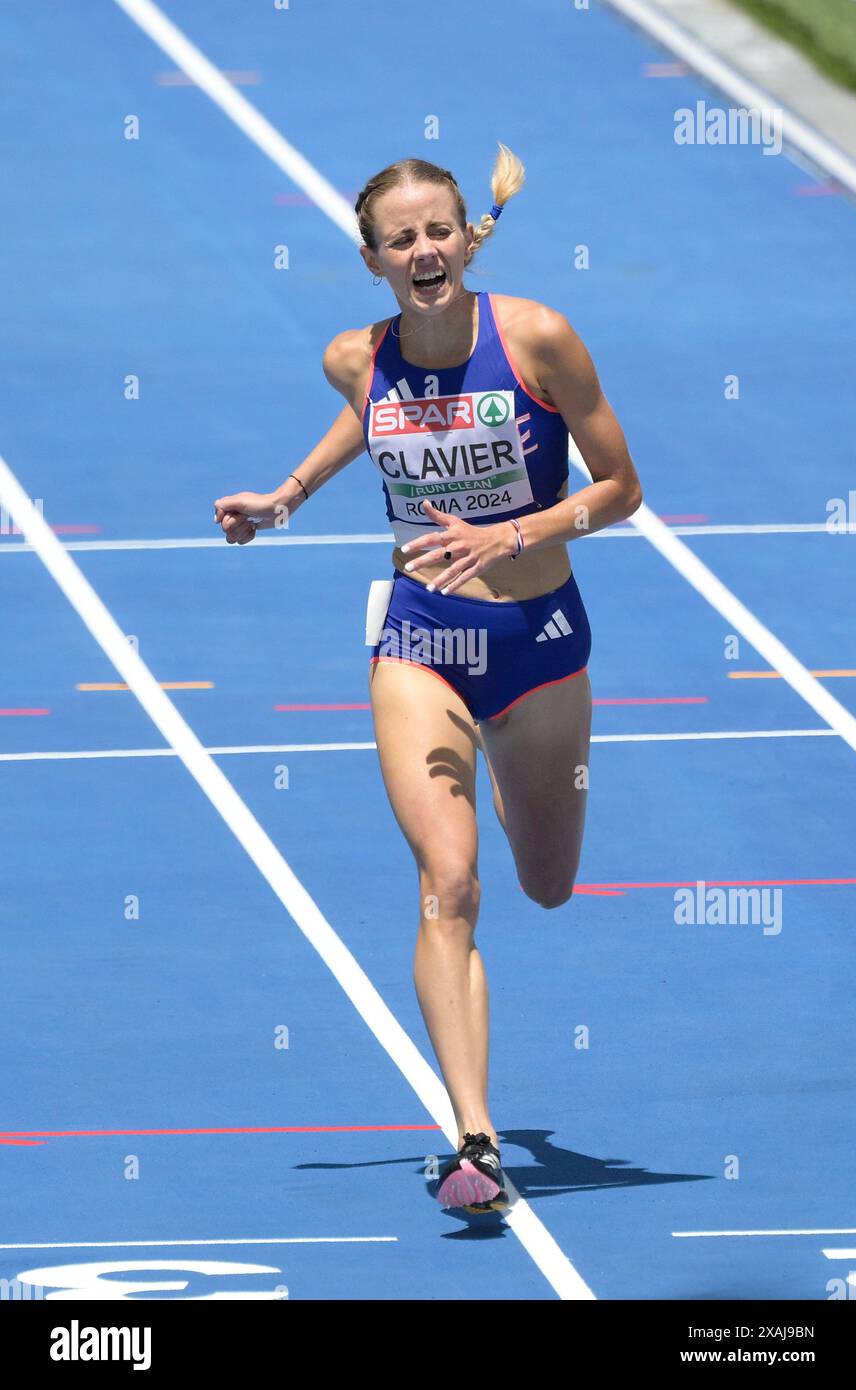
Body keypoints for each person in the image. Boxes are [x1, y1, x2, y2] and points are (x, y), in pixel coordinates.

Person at [214, 143, 642, 1214]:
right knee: (447, 881)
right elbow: (377, 411)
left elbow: (623, 488)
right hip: (420, 641)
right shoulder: (353, 357)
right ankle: (475, 1140)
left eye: (437, 230)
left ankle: (509, 767)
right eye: (399, 239)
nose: (422, 249)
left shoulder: (538, 338)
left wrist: (517, 531)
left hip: (539, 639)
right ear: (374, 262)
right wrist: (286, 497)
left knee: (546, 881)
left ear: (466, 238)